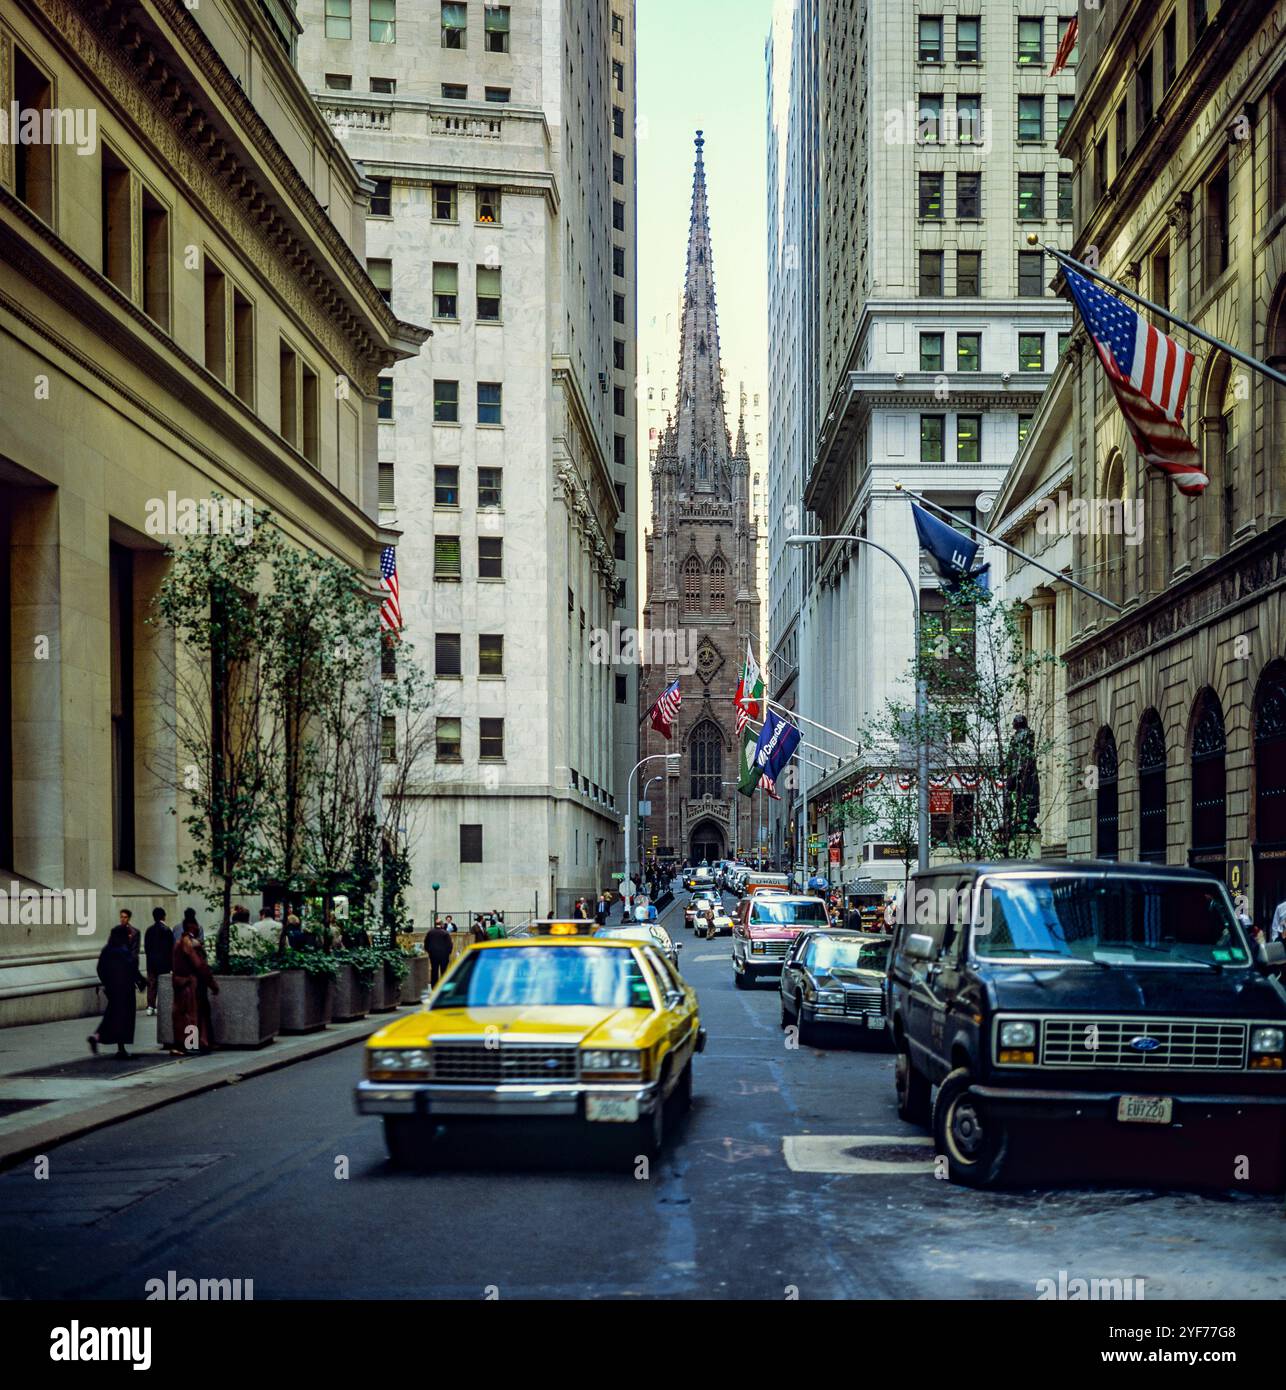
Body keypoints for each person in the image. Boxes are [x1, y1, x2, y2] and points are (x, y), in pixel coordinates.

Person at [88, 924, 146, 1058]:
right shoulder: (124, 951)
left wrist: (108, 983)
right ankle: (121, 1048)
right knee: (124, 1018)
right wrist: (141, 981)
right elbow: (131, 968)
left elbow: (100, 968)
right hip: (125, 990)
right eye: (128, 934)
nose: (130, 936)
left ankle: (97, 1036)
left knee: (112, 1015)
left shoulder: (107, 950)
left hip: (113, 989)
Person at [171, 913, 218, 1054]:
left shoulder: (178, 943)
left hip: (179, 983)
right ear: (192, 926)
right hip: (190, 985)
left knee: (182, 1015)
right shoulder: (189, 944)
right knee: (191, 1015)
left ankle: (183, 1044)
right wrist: (212, 984)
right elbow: (200, 966)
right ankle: (191, 1045)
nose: (198, 928)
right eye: (196, 925)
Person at [143, 907, 173, 1016]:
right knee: (163, 985)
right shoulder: (167, 930)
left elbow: (146, 948)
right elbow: (170, 949)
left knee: (151, 984)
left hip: (151, 963)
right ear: (164, 916)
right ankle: (161, 1006)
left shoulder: (149, 930)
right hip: (164, 964)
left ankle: (150, 1006)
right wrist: (171, 966)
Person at [425, 919, 453, 986]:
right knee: (444, 970)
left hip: (433, 955)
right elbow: (450, 944)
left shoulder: (430, 932)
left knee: (434, 970)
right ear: (442, 924)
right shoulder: (445, 933)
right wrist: (448, 952)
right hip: (444, 955)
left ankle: (434, 986)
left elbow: (426, 943)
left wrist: (429, 951)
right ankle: (443, 985)